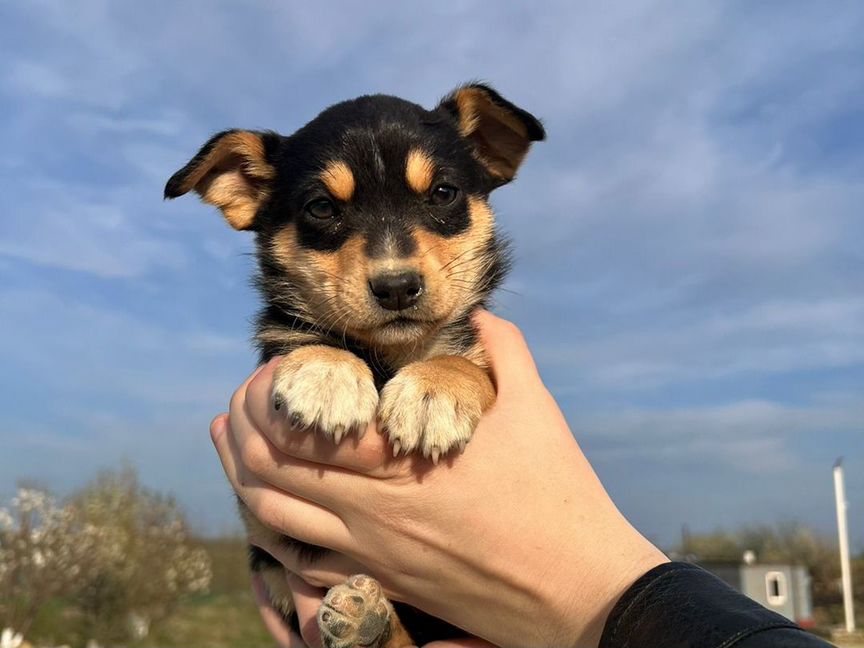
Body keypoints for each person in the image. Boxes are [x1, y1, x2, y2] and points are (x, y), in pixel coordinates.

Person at [210, 311, 835, 648]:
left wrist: (588, 590)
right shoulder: (306, 353)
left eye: (443, 198)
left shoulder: (470, 346)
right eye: (326, 211)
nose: (392, 257)